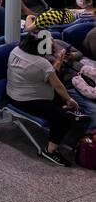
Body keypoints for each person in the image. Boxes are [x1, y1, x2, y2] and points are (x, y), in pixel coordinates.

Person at [7, 30, 82, 165]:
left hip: (14, 92)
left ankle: (63, 116)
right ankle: (51, 151)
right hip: (27, 100)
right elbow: (58, 85)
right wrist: (69, 100)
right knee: (63, 120)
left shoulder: (15, 50)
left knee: (60, 102)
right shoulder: (41, 63)